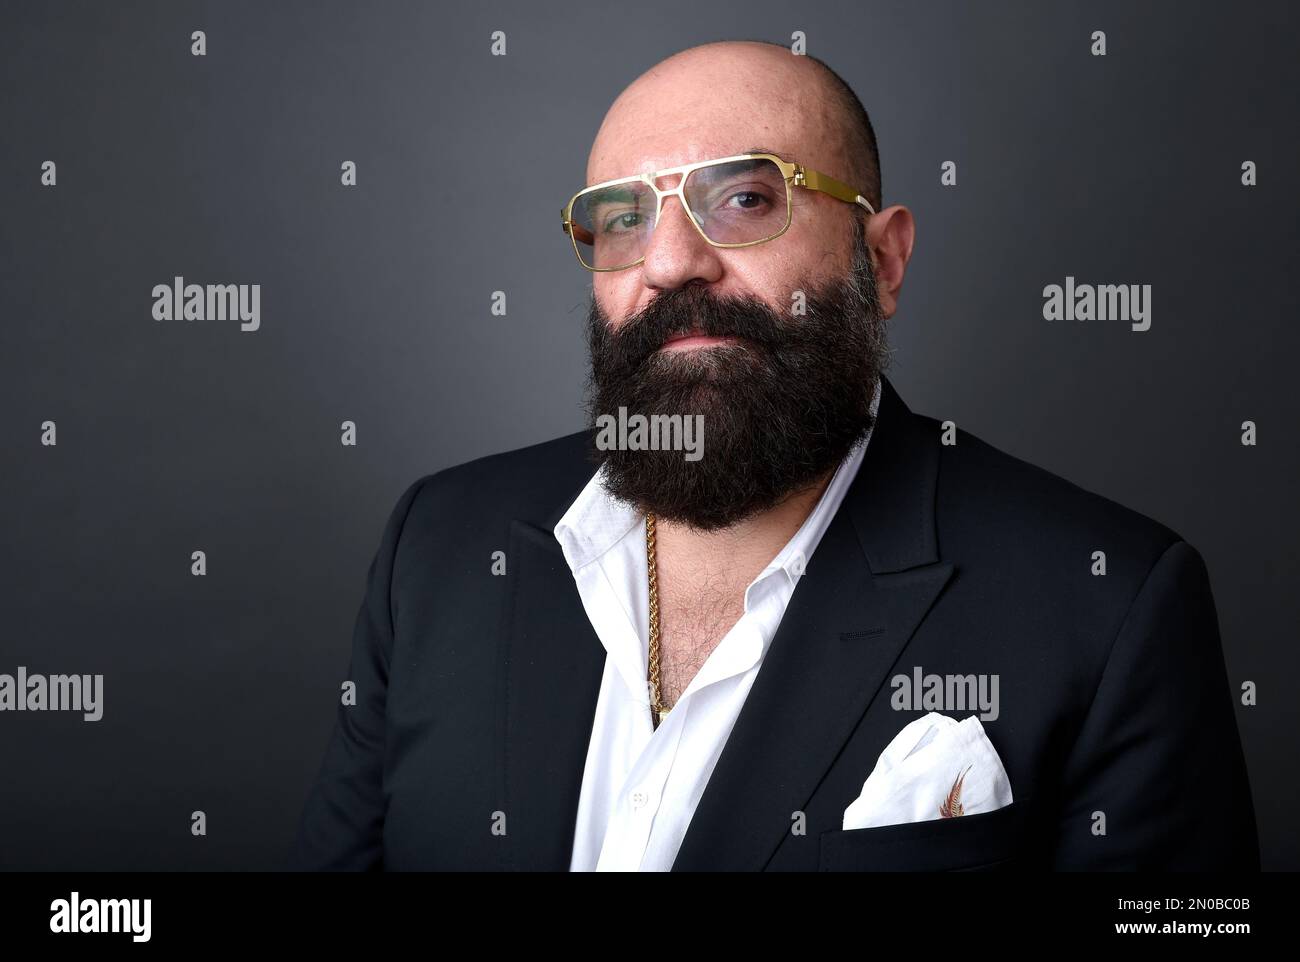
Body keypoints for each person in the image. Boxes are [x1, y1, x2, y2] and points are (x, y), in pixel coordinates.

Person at [287, 40, 1257, 871]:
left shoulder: (1107, 601)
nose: (670, 261)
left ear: (881, 261)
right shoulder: (439, 544)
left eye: (746, 198)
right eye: (623, 218)